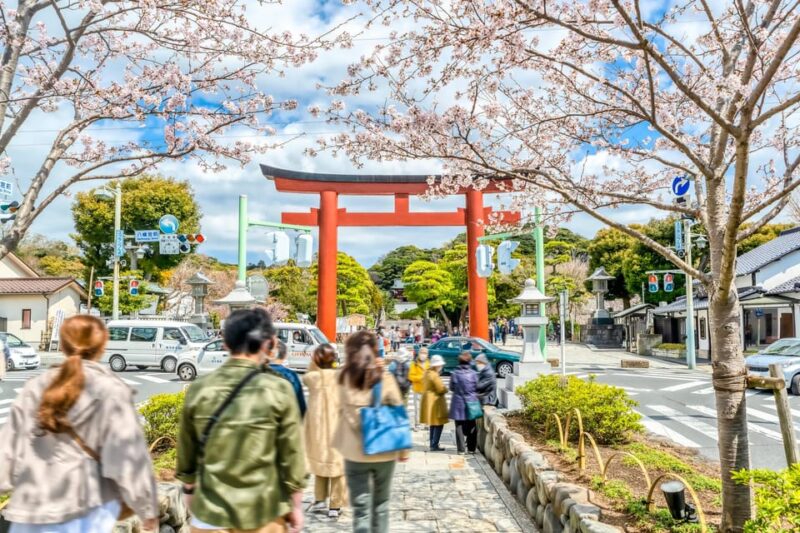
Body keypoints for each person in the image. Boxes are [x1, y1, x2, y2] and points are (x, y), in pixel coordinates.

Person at [0, 315, 159, 533]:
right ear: (102, 346)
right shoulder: (111, 390)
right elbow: (127, 457)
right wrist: (146, 507)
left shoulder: (34, 387)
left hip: (32, 507)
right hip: (87, 507)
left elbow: (6, 452)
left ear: (63, 345)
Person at [176, 308, 305, 533]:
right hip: (265, 509)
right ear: (271, 343)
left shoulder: (200, 389)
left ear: (225, 343)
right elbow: (292, 455)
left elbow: (187, 456)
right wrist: (295, 505)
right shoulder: (279, 389)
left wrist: (189, 491)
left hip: (211, 511)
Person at [333, 330, 408, 533]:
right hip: (384, 447)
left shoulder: (343, 377)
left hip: (354, 451)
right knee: (381, 505)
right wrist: (403, 450)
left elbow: (340, 407)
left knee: (361, 509)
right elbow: (398, 409)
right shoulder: (384, 376)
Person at [303, 344, 346, 519]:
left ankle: (320, 499)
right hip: (338, 428)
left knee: (320, 464)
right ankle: (335, 505)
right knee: (337, 468)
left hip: (318, 429)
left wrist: (315, 361)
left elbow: (308, 373)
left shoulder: (313, 377)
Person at [267, 339, 307, 417]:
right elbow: (300, 404)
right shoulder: (291, 375)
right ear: (285, 355)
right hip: (287, 418)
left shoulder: (259, 373)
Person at [449, 352, 479, 454]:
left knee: (459, 426)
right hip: (471, 402)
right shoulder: (474, 374)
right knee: (472, 424)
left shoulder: (455, 374)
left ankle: (461, 449)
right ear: (470, 361)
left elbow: (451, 388)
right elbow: (477, 387)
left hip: (458, 402)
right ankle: (471, 448)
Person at [420, 354, 448, 451]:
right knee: (439, 423)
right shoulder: (434, 375)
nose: (441, 367)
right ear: (437, 365)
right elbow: (441, 389)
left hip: (428, 399)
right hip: (435, 400)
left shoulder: (427, 373)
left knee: (433, 422)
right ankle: (434, 444)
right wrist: (446, 389)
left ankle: (432, 443)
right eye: (440, 365)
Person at [407, 347, 429, 430]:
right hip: (417, 389)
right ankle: (418, 424)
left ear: (427, 355)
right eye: (422, 352)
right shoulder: (414, 363)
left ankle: (427, 424)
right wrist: (421, 378)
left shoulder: (428, 363)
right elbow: (410, 376)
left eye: (425, 353)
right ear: (419, 353)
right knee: (418, 408)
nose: (423, 354)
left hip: (427, 389)